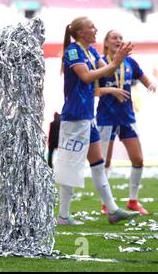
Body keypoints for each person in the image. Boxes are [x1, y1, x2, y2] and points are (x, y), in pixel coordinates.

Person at [53, 16, 140, 225]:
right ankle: (63, 216)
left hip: (87, 116)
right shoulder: (73, 51)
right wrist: (116, 62)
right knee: (71, 165)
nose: (96, 29)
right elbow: (86, 76)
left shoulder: (90, 51)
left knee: (98, 164)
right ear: (82, 32)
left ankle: (112, 211)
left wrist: (118, 60)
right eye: (92, 27)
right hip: (74, 117)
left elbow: (107, 71)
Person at [97, 30, 157, 215]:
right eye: (114, 38)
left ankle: (133, 201)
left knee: (138, 159)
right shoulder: (99, 61)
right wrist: (111, 91)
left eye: (121, 38)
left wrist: (151, 85)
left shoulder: (130, 62)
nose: (119, 40)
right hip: (106, 117)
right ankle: (106, 203)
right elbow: (92, 89)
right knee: (104, 162)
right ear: (106, 43)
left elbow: (144, 79)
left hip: (127, 117)